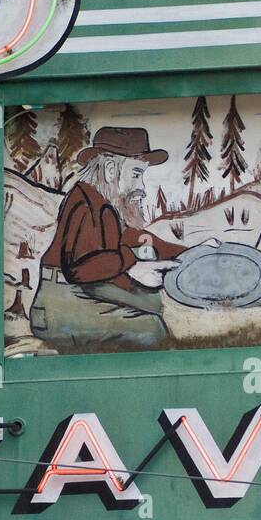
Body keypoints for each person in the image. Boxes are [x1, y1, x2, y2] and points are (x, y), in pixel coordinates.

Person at [30, 126, 170, 352]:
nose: (141, 186)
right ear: (111, 169)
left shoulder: (104, 204)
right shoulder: (84, 203)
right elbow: (79, 269)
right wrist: (131, 263)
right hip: (60, 304)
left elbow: (134, 238)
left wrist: (179, 253)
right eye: (136, 174)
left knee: (154, 302)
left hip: (85, 289)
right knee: (152, 329)